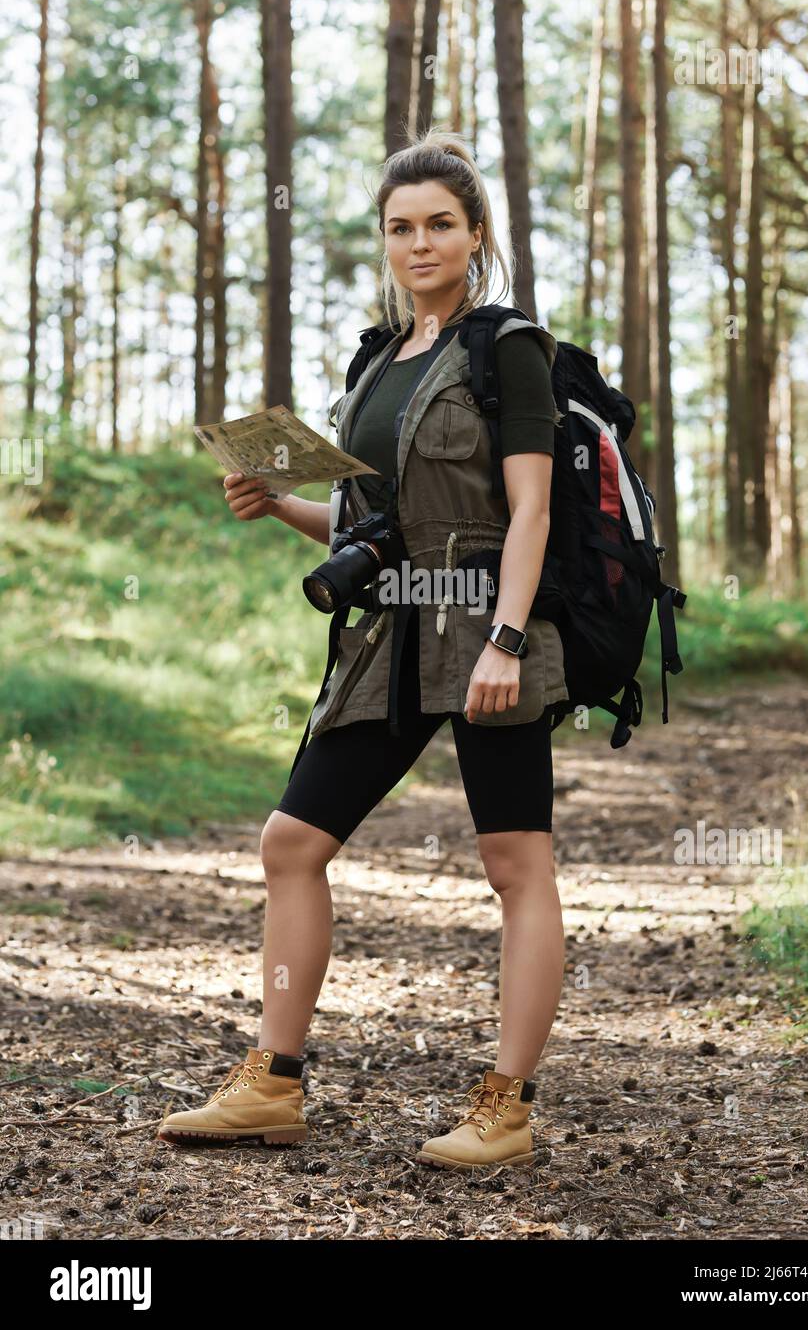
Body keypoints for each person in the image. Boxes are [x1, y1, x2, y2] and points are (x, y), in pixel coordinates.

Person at [158, 128, 569, 1169]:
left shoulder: (505, 345)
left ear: (475, 234)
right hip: (387, 632)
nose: (418, 242)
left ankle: (506, 1107)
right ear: (381, 241)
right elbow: (366, 528)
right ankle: (272, 1084)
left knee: (513, 861)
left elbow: (531, 512)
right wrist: (278, 504)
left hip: (484, 622)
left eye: (439, 223)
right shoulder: (374, 361)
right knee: (290, 842)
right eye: (399, 227)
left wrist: (508, 640)